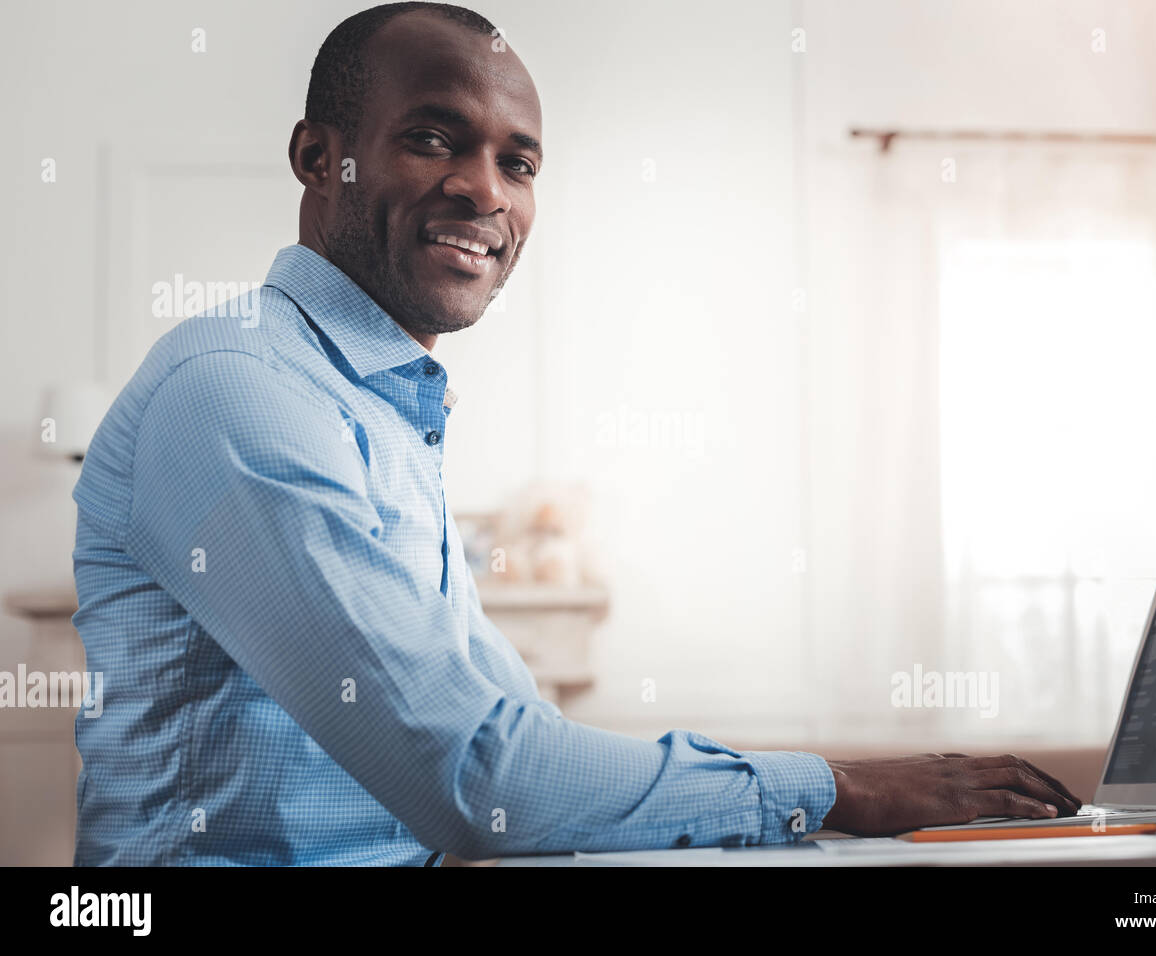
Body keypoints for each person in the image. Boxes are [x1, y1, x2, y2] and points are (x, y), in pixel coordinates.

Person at [71, 2, 1081, 865]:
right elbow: (477, 777)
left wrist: (821, 788)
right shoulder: (239, 389)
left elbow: (524, 742)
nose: (486, 191)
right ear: (316, 155)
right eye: (433, 137)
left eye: (519, 162)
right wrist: (843, 788)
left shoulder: (379, 406)